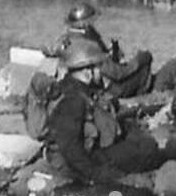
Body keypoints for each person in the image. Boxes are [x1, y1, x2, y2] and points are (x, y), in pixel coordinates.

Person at [27, 38, 167, 185]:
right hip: (80, 163)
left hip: (92, 154)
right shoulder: (72, 100)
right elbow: (71, 150)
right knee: (147, 151)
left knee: (142, 144)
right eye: (98, 67)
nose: (101, 72)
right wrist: (100, 175)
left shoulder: (82, 92)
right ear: (87, 72)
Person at [48, 1, 152, 99]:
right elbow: (118, 74)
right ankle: (139, 100)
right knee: (143, 67)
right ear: (85, 24)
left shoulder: (65, 39)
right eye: (91, 22)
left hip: (77, 84)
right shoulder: (88, 46)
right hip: (105, 90)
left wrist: (111, 54)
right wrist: (139, 59)